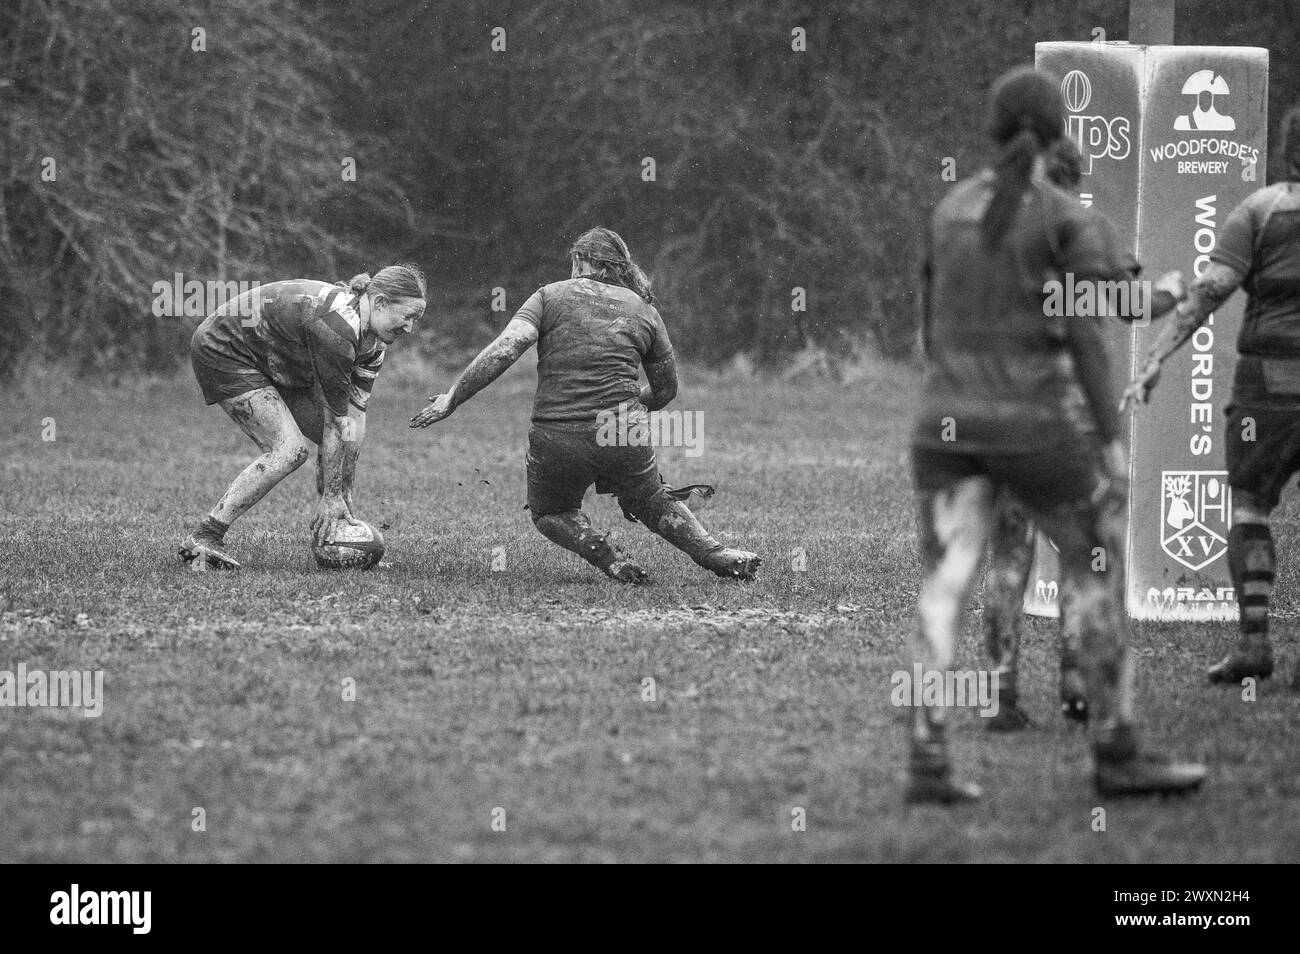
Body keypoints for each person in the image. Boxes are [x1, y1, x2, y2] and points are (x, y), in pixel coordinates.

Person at [908, 66, 1205, 803]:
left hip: (943, 430)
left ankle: (928, 762)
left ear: (993, 130)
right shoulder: (1063, 216)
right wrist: (1109, 436)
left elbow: (926, 327)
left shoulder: (949, 209)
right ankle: (1116, 750)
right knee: (1096, 565)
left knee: (944, 590)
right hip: (1037, 431)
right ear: (1058, 134)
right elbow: (1091, 328)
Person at [409, 227, 759, 583]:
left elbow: (506, 349)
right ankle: (714, 552)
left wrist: (453, 397)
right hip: (623, 434)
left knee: (552, 511)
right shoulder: (644, 309)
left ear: (580, 260)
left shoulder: (548, 296)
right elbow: (666, 390)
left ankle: (606, 556)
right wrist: (622, 411)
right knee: (651, 498)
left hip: (557, 436)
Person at [982, 137, 1186, 730]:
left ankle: (1001, 696)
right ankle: (1075, 683)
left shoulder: (997, 234)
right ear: (1078, 179)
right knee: (1082, 554)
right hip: (1064, 424)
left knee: (1009, 558)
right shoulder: (1086, 227)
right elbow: (1128, 304)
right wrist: (1171, 290)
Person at [1123, 104, 1300, 688]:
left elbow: (1206, 294)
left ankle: (1253, 645)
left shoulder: (1260, 211)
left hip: (1267, 392)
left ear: (1286, 149)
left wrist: (1153, 360)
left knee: (1250, 506)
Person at [181, 265, 427, 568]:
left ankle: (333, 536)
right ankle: (205, 537)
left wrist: (343, 495)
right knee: (289, 451)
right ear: (380, 303)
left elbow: (353, 420)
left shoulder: (373, 344)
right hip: (224, 349)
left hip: (277, 360)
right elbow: (335, 421)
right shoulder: (338, 329)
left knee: (338, 444)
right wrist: (331, 494)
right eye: (408, 316)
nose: (410, 328)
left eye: (416, 319)